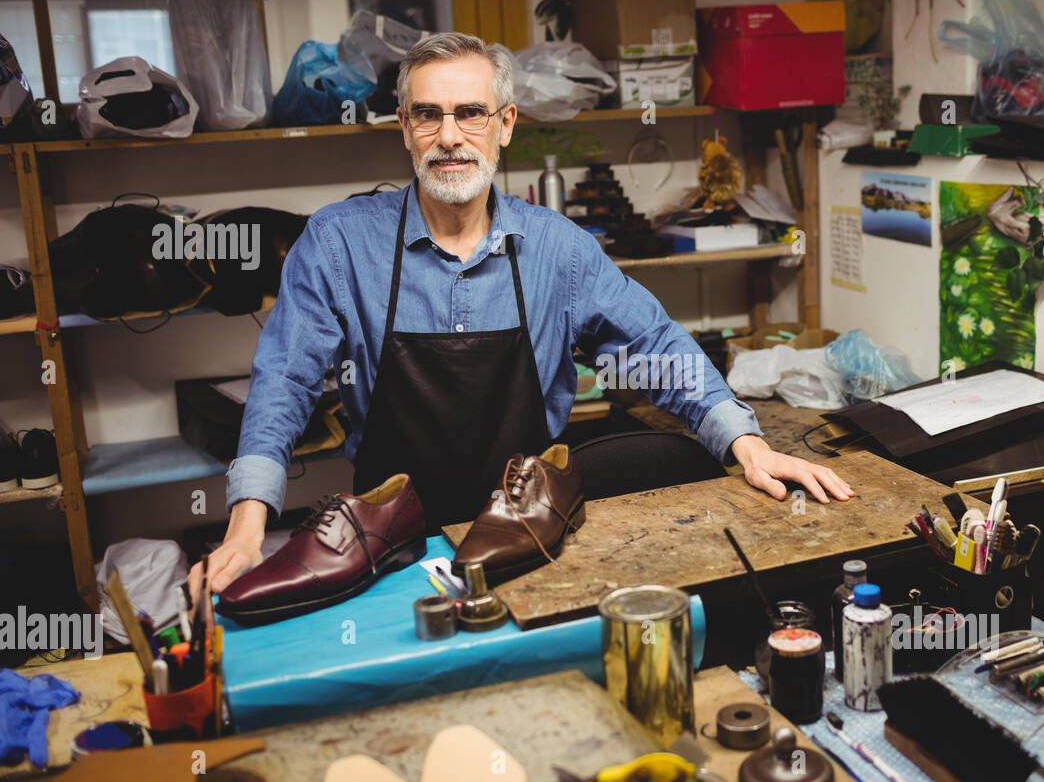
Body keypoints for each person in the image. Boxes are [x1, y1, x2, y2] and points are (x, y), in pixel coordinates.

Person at [193, 32, 852, 593]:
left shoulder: (559, 251)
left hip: (529, 532)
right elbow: (285, 379)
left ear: (505, 125)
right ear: (404, 128)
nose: (449, 138)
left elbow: (655, 350)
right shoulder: (339, 243)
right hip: (392, 539)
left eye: (470, 113)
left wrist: (747, 443)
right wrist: (249, 521)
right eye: (428, 115)